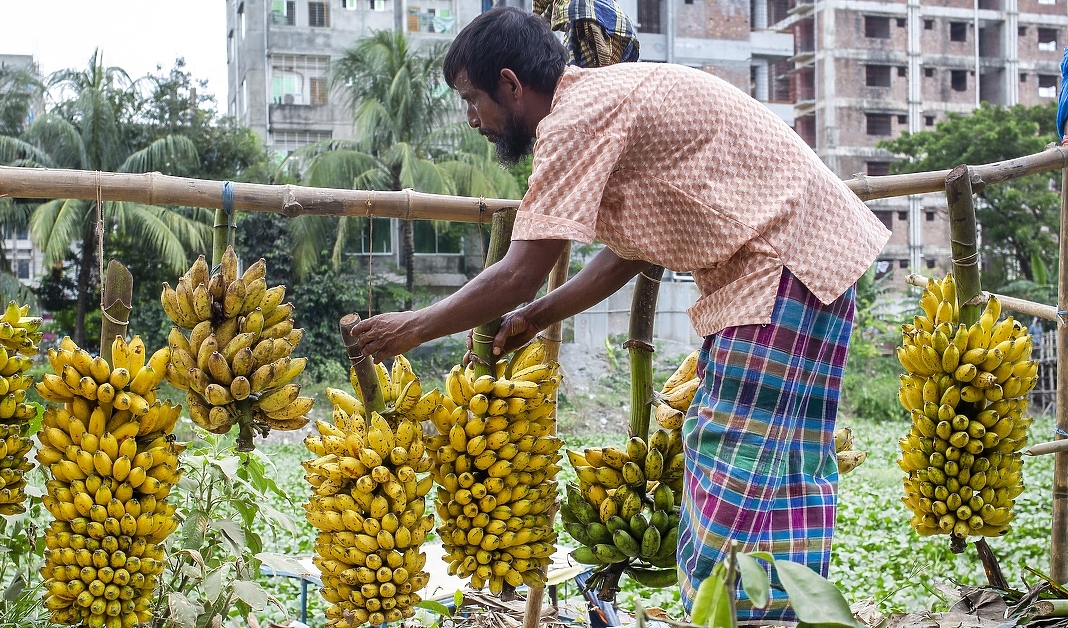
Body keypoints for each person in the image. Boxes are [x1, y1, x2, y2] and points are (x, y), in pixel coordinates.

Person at [350, 6, 889, 620]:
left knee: (730, 471)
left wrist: (411, 328)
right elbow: (625, 253)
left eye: (473, 99)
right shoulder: (602, 102)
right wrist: (539, 314)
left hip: (779, 272)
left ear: (511, 84)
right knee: (787, 473)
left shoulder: (575, 117)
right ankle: (783, 615)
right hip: (808, 264)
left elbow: (519, 270)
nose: (471, 118)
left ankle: (731, 616)